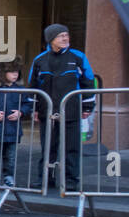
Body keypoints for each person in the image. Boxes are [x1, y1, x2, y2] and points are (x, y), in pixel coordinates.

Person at [27, 24, 95, 192]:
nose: (65, 38)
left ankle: (71, 180)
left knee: (71, 147)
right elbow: (33, 86)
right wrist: (34, 109)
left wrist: (87, 106)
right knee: (48, 147)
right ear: (51, 40)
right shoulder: (40, 60)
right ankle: (45, 179)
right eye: (61, 36)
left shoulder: (78, 57)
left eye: (66, 35)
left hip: (71, 111)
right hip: (47, 112)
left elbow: (88, 82)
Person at [0, 62, 32, 187]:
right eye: (11, 71)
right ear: (3, 73)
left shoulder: (20, 90)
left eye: (17, 72)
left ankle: (8, 176)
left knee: (11, 157)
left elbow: (27, 104)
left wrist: (21, 112)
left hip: (13, 130)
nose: (15, 74)